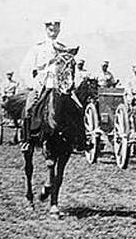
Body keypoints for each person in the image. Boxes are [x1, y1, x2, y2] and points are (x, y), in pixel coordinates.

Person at [16, 17, 86, 151]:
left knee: (78, 107)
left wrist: (72, 83)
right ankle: (27, 140)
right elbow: (24, 69)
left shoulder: (65, 49)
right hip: (42, 84)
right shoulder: (37, 48)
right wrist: (33, 84)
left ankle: (81, 140)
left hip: (61, 86)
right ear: (46, 29)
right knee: (30, 106)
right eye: (50, 28)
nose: (53, 31)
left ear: (60, 29)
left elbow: (70, 69)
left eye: (56, 28)